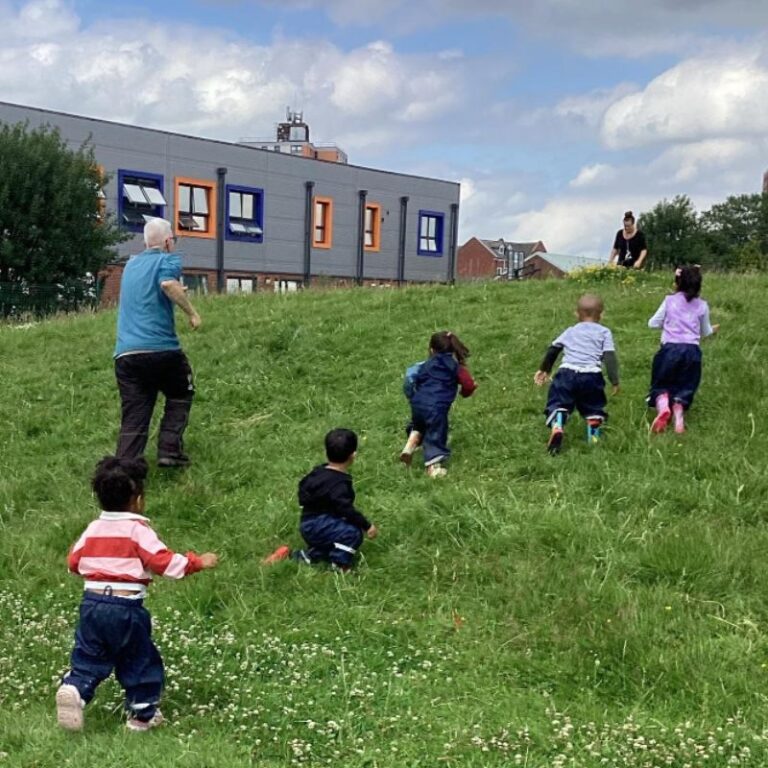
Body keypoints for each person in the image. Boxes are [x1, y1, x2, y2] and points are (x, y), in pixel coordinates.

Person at [55, 456, 218, 732]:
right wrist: (197, 562)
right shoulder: (137, 530)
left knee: (90, 654)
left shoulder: (93, 529)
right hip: (125, 607)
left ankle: (75, 689)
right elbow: (162, 562)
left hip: (92, 604)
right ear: (138, 500)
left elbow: (73, 562)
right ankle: (142, 715)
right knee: (137, 657)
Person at [114, 217, 202, 467]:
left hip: (125, 355)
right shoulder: (168, 259)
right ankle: (169, 450)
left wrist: (174, 288)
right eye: (173, 239)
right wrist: (192, 313)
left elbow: (149, 290)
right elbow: (166, 284)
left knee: (136, 412)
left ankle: (125, 469)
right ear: (167, 242)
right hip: (161, 349)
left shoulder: (129, 265)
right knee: (181, 392)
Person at [265, 429, 377, 571]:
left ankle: (294, 555)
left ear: (326, 452)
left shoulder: (318, 472)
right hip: (320, 525)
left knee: (331, 540)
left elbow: (303, 487)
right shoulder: (339, 484)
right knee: (352, 533)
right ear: (353, 456)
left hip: (307, 523)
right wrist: (367, 526)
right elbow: (347, 510)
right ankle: (339, 564)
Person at [534, 294, 619, 455]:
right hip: (592, 376)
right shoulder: (604, 332)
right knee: (593, 405)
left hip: (567, 373)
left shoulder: (570, 331)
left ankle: (558, 423)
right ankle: (593, 436)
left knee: (558, 402)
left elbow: (554, 349)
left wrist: (544, 369)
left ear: (576, 313)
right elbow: (609, 356)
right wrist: (614, 380)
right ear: (602, 314)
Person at [647, 265, 719, 434]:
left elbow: (652, 323)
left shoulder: (669, 301)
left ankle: (663, 406)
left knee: (662, 382)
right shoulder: (702, 305)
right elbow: (706, 331)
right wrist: (713, 330)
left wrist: (668, 325)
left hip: (669, 350)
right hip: (692, 352)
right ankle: (679, 416)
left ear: (676, 283)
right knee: (686, 386)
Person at [399, 331, 477, 477]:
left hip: (418, 402)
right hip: (437, 406)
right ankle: (433, 467)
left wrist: (411, 396)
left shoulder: (424, 365)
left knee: (420, 424)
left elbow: (410, 377)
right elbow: (468, 384)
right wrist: (465, 393)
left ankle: (411, 443)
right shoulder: (455, 367)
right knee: (436, 433)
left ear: (431, 350)